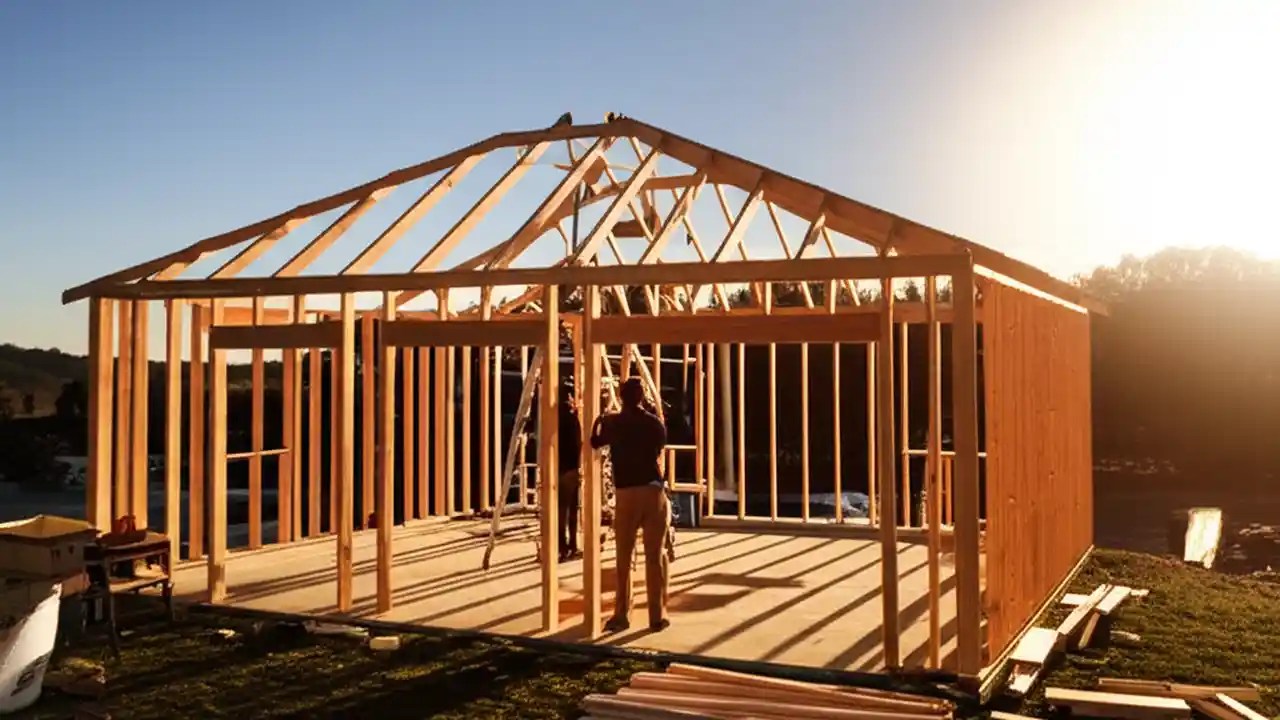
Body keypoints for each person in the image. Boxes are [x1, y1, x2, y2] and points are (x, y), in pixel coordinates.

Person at [591, 377, 670, 633]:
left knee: (624, 557)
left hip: (626, 493)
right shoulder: (653, 423)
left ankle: (621, 615)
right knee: (654, 557)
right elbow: (660, 447)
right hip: (652, 490)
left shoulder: (614, 422)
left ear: (621, 396)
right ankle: (656, 617)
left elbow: (595, 442)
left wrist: (599, 420)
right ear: (642, 396)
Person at [558, 384, 583, 561]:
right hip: (571, 468)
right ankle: (572, 546)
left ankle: (561, 546)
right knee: (572, 510)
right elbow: (577, 444)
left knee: (560, 510)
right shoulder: (572, 418)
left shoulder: (552, 415)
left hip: (557, 468)